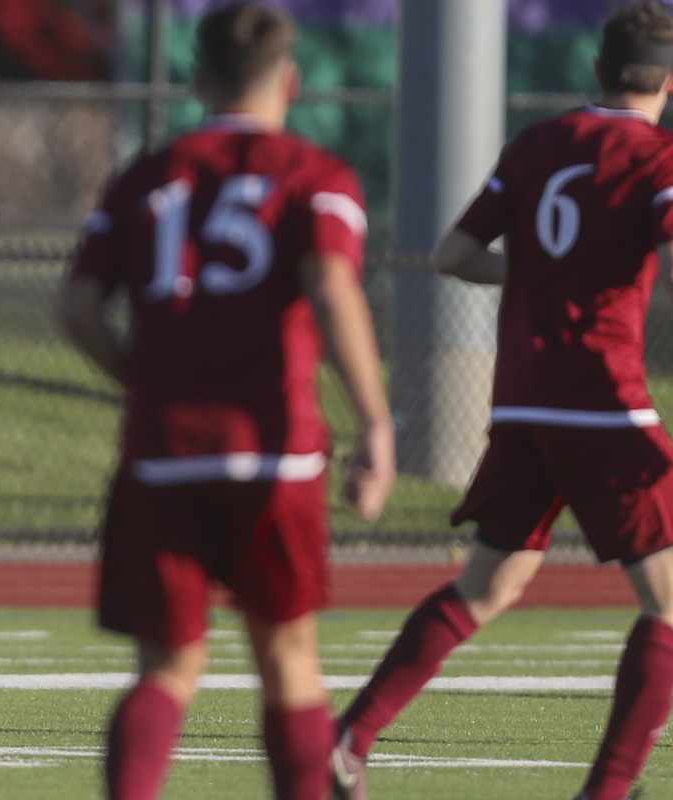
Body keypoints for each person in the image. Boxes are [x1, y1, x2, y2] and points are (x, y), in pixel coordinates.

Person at [332, 4, 673, 798]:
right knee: (669, 607)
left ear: (598, 70)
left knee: (488, 584)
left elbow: (454, 254)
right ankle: (608, 791)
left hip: (522, 403)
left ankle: (350, 738)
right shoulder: (656, 159)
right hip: (603, 402)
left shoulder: (537, 145)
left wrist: (530, 276)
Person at [57, 3, 395, 798]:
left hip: (162, 451)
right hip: (273, 452)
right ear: (292, 81)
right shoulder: (317, 175)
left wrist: (140, 377)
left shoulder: (145, 175)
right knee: (289, 662)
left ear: (199, 80)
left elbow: (76, 308)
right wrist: (375, 422)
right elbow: (330, 283)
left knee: (168, 669)